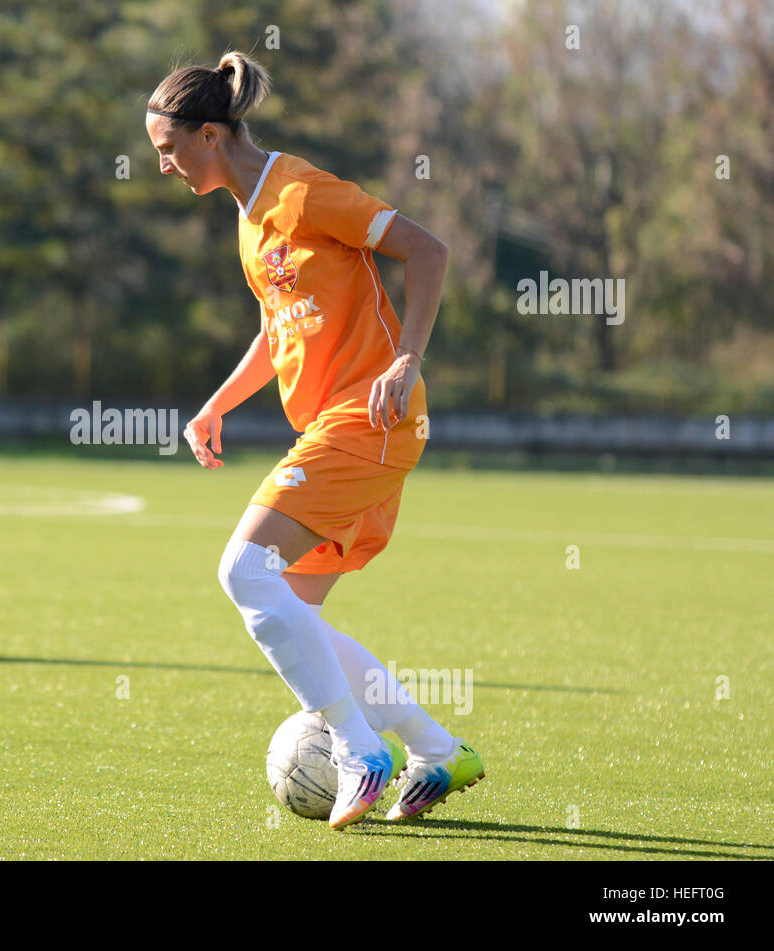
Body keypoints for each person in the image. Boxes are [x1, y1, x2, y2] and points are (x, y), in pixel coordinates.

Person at [146, 53, 484, 828]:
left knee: (242, 569)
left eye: (169, 148)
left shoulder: (302, 192)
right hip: (339, 430)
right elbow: (277, 327)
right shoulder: (246, 217)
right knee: (297, 609)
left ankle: (358, 750)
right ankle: (436, 751)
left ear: (210, 133)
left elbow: (427, 250)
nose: (161, 164)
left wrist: (408, 355)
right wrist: (216, 404)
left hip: (370, 423)